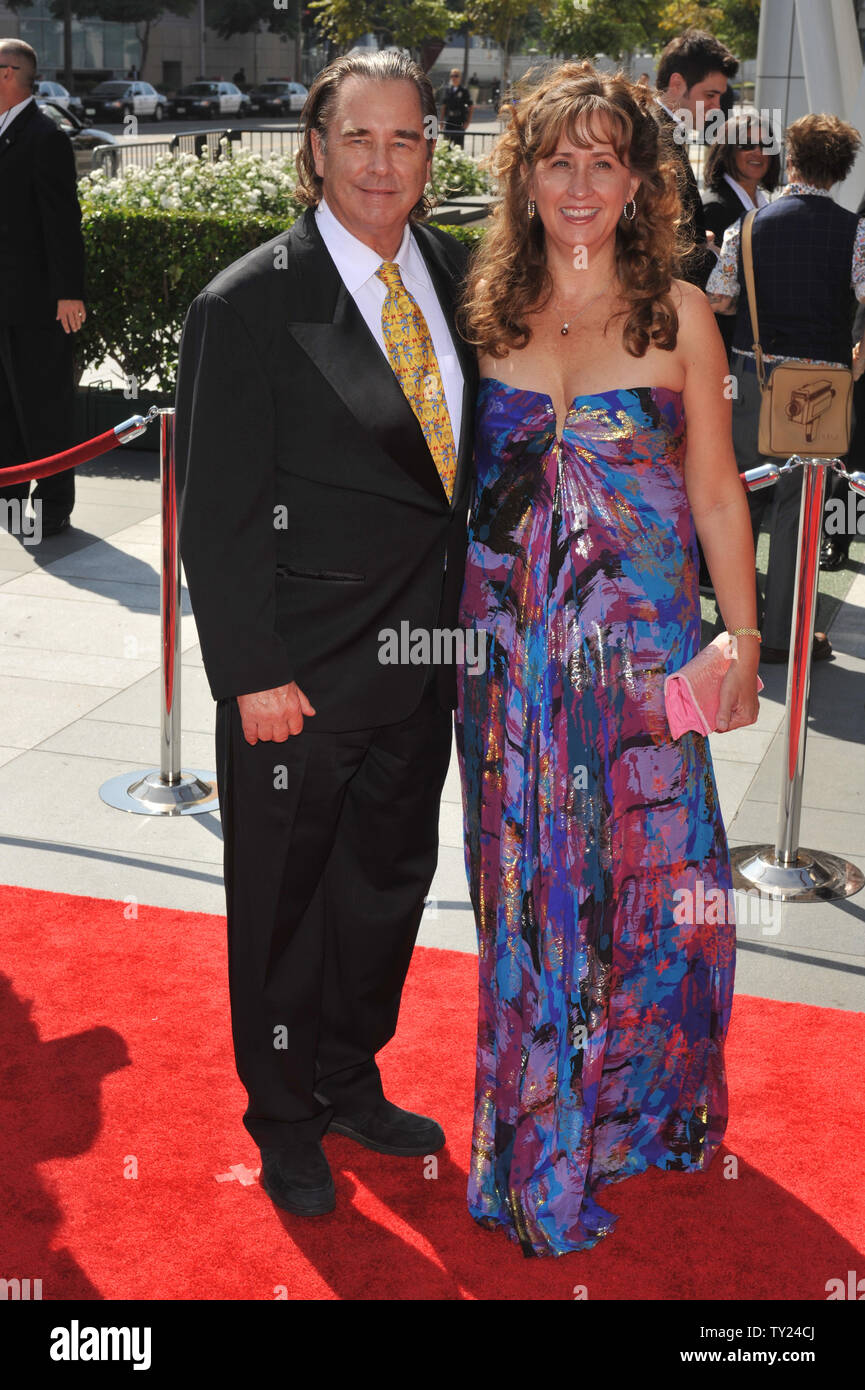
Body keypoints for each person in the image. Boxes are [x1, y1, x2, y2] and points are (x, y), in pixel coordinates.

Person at [455, 61, 761, 1258]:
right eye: (556, 160)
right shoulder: (481, 308)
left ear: (638, 179)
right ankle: (539, 1130)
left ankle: (637, 1117)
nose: (579, 183)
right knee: (530, 894)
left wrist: (739, 634)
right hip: (514, 671)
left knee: (657, 888)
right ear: (523, 176)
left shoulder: (678, 311)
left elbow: (714, 489)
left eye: (603, 160)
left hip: (642, 664)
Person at [174, 51, 477, 1219]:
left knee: (386, 886)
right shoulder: (247, 303)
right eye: (359, 138)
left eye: (404, 140)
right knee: (287, 906)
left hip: (424, 663)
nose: (382, 164)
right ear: (315, 147)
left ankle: (348, 1077)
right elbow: (219, 512)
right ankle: (284, 1113)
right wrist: (253, 675)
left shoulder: (453, 272)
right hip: (298, 676)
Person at [707, 113, 865, 663]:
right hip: (822, 385)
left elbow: (721, 299)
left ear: (790, 159)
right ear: (840, 170)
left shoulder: (747, 226)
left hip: (753, 376)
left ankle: (736, 629)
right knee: (801, 512)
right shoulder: (854, 230)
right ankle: (783, 635)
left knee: (741, 501)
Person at [0, 38, 85, 538]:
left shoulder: (44, 135)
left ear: (10, 73)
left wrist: (69, 293)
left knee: (43, 404)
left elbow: (62, 222)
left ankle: (53, 506)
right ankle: (8, 497)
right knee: (4, 407)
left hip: (38, 304)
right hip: (3, 302)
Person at [653, 27, 739, 287]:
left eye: (720, 97)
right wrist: (706, 253)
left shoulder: (664, 131)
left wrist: (699, 240)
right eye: (710, 95)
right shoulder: (651, 138)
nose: (716, 106)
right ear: (677, 84)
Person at [702, 110, 780, 360]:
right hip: (726, 348)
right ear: (727, 152)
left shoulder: (767, 204)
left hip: (760, 346)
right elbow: (710, 296)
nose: (757, 152)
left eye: (764, 145)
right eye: (746, 145)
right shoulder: (714, 208)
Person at [440, 67, 473, 148]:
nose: (453, 78)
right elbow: (444, 106)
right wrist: (441, 121)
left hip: (459, 121)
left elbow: (471, 106)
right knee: (445, 147)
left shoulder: (464, 91)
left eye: (456, 76)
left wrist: (467, 122)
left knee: (458, 148)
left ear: (460, 77)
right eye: (452, 76)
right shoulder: (447, 90)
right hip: (449, 121)